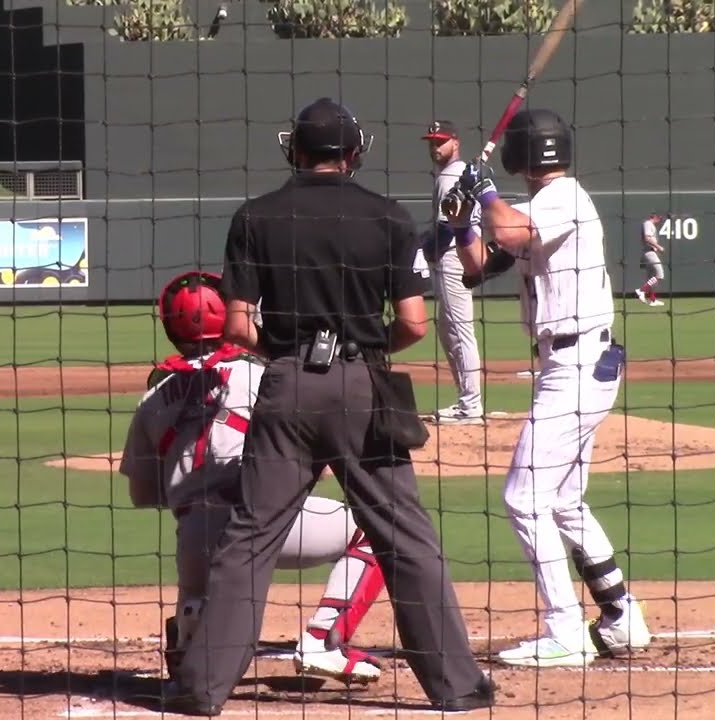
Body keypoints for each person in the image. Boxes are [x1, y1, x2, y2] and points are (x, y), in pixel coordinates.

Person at [168, 97, 494, 716]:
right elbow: (416, 325)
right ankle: (457, 687)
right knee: (406, 539)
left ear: (295, 151)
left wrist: (286, 354)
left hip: (286, 388)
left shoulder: (254, 217)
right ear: (353, 152)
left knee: (249, 539)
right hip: (362, 388)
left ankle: (200, 688)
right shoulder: (390, 217)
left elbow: (237, 329)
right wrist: (365, 349)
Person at [442, 107, 652, 667]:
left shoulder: (563, 198)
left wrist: (483, 192)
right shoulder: (541, 205)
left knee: (523, 497)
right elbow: (477, 266)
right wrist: (461, 221)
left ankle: (564, 629)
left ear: (518, 157)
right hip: (574, 364)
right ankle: (621, 616)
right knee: (561, 500)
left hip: (577, 362)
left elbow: (509, 230)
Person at [118, 270, 387, 687]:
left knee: (197, 667)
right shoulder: (263, 375)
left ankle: (192, 628)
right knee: (376, 531)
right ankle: (323, 641)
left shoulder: (153, 397)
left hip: (193, 538)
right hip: (262, 523)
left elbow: (144, 494)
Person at [420, 120, 486, 425]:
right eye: (432, 142)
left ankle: (471, 405)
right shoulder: (457, 175)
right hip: (456, 255)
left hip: (454, 257)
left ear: (455, 142)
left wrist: (424, 252)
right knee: (449, 330)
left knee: (460, 329)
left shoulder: (452, 176)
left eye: (441, 141)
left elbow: (447, 227)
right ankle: (465, 400)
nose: (435, 147)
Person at [636, 213, 667, 307]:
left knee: (651, 278)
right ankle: (641, 290)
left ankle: (653, 300)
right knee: (659, 275)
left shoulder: (650, 224)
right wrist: (659, 247)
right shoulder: (648, 223)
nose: (660, 220)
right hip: (650, 253)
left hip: (649, 252)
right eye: (659, 217)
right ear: (654, 217)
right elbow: (647, 238)